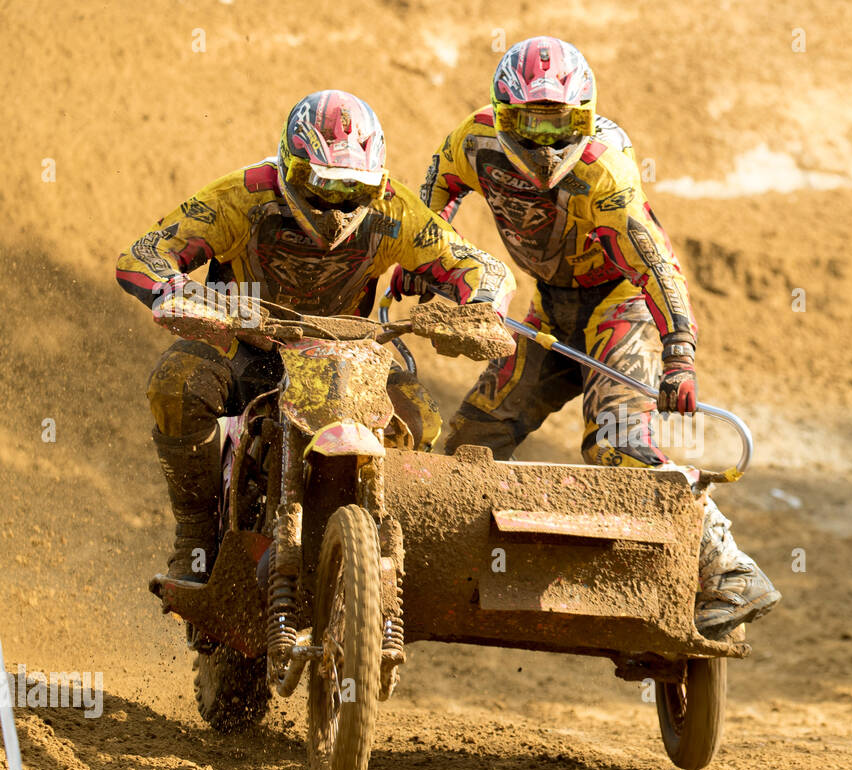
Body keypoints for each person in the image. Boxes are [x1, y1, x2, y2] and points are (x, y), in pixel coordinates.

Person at [400, 37, 778, 640]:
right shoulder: (473, 142)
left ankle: (731, 569)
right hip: (548, 311)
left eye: (563, 126)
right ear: (503, 116)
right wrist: (425, 255)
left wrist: (679, 355)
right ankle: (433, 570)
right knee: (472, 440)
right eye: (532, 125)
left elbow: (658, 267)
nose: (547, 145)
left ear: (587, 118)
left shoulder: (606, 171)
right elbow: (437, 187)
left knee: (620, 448)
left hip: (619, 308)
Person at [117, 89, 515, 582]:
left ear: (378, 182)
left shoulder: (394, 210)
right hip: (246, 345)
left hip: (351, 357)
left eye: (352, 191)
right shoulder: (241, 198)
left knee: (420, 421)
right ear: (289, 167)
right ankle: (195, 534)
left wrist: (478, 312)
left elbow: (483, 269)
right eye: (321, 187)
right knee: (177, 383)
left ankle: (389, 551)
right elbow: (143, 255)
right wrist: (178, 295)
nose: (336, 209)